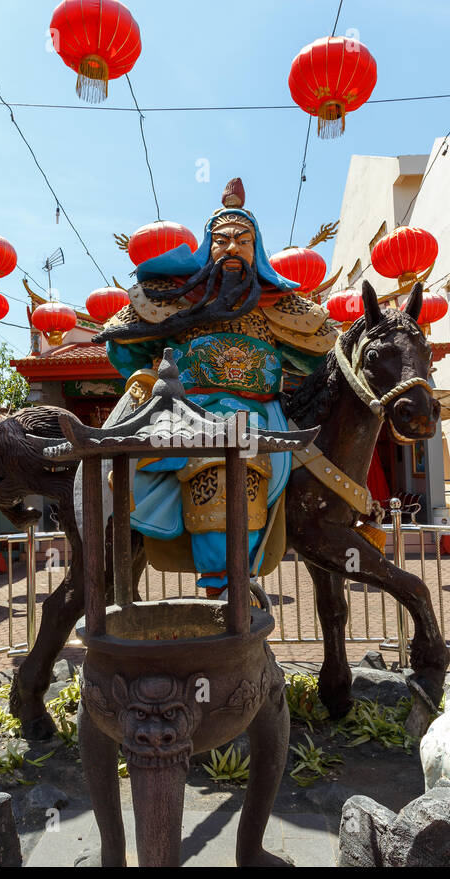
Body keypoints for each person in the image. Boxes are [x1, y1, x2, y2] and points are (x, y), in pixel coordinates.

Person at [95, 179, 336, 590]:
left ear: (256, 250)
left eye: (243, 240)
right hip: (189, 409)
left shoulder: (276, 305)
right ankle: (221, 577)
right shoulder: (177, 300)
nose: (231, 248)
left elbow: (321, 350)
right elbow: (121, 342)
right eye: (221, 240)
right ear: (207, 247)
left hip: (262, 409)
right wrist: (177, 340)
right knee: (218, 457)